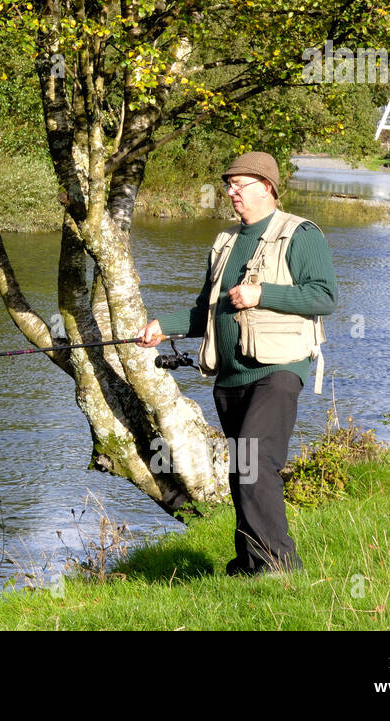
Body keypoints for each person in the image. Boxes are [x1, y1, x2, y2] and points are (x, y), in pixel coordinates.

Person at [137, 151, 337, 577]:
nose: (230, 193)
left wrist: (263, 294)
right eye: (228, 185)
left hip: (279, 371)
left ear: (266, 187)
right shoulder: (226, 242)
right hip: (230, 377)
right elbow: (204, 313)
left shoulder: (300, 234)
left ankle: (280, 566)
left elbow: (324, 296)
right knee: (240, 470)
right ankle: (248, 564)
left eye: (238, 185)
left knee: (255, 464)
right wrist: (163, 326)